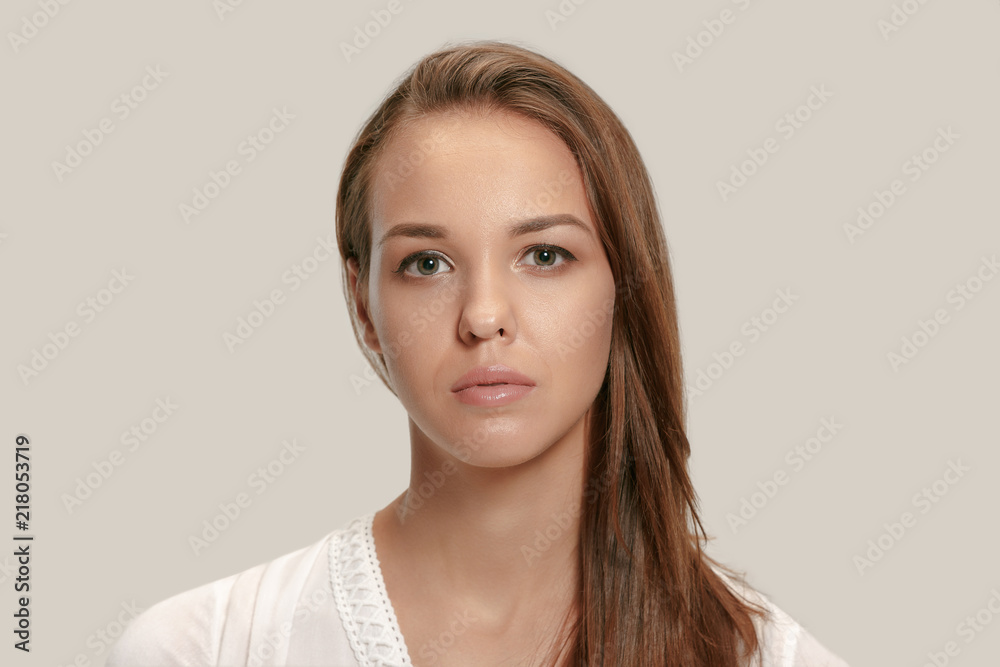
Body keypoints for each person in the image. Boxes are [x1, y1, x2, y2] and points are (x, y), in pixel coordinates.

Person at [107, 40, 850, 666]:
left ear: (624, 286)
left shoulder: (768, 658)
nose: (484, 316)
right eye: (427, 263)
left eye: (545, 255)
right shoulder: (203, 650)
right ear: (364, 306)